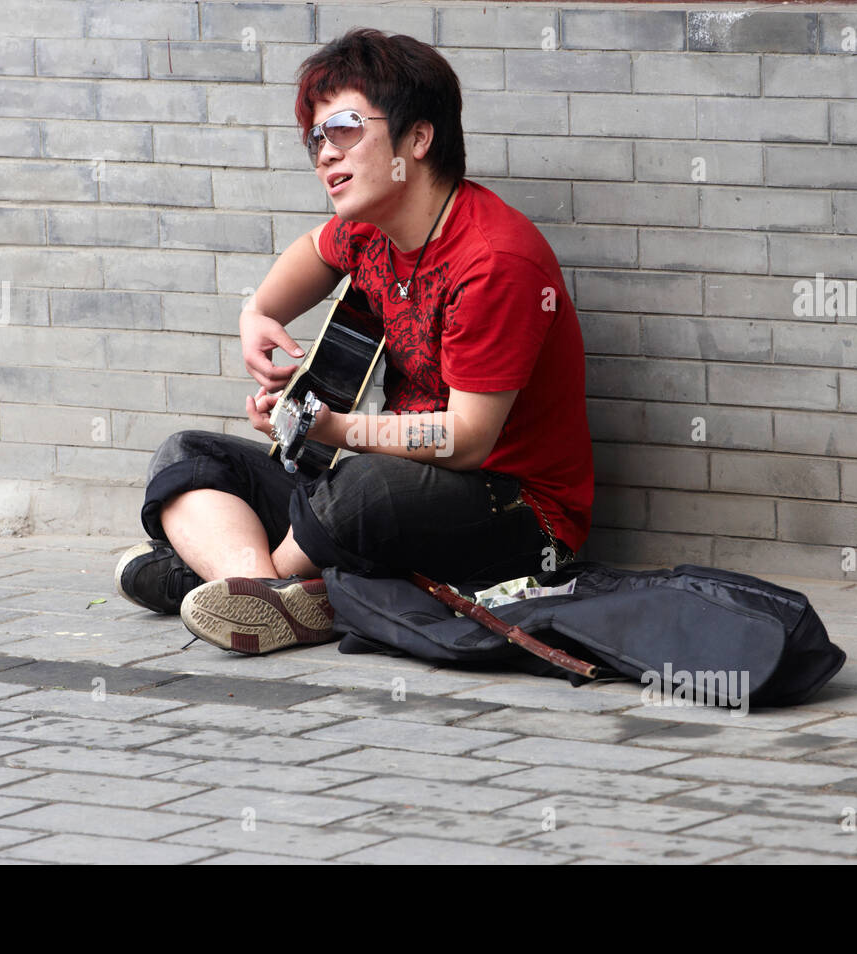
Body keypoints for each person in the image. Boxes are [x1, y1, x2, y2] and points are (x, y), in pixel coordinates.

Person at [115, 28, 593, 655]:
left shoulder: (493, 260)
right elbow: (312, 252)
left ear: (418, 138)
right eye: (315, 138)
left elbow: (467, 439)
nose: (323, 154)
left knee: (367, 489)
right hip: (386, 482)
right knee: (188, 456)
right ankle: (267, 591)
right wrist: (257, 312)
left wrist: (329, 428)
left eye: (343, 129)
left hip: (516, 515)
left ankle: (228, 581)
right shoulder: (371, 230)